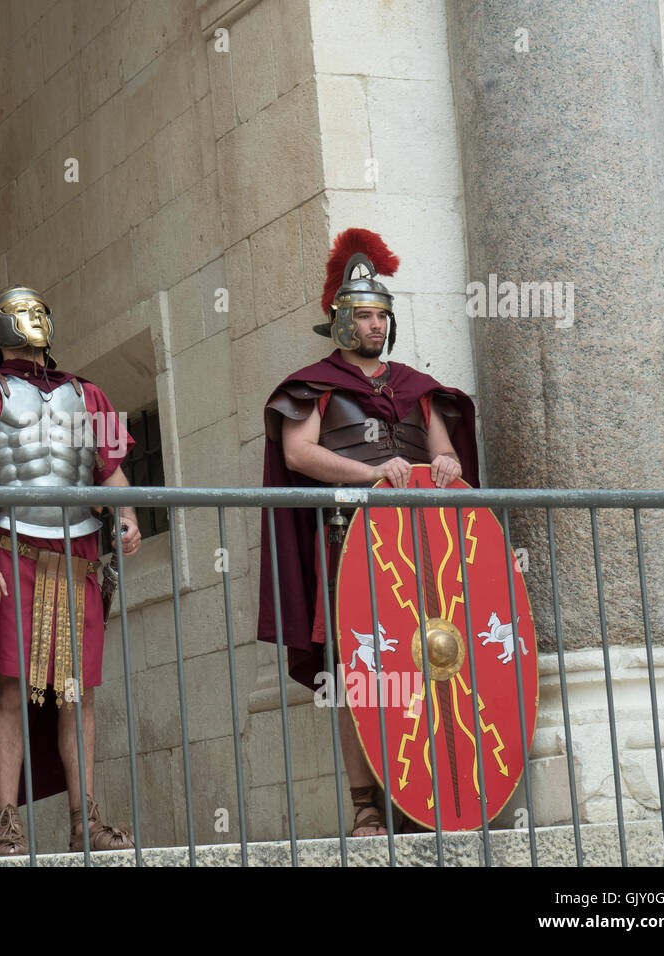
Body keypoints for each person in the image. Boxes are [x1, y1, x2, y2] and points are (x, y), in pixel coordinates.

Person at [257, 229, 479, 836]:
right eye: (364, 315)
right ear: (340, 321)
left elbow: (442, 453)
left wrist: (448, 464)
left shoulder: (416, 388)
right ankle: (366, 806)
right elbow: (299, 454)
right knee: (360, 670)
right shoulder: (313, 385)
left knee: (434, 658)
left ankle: (430, 792)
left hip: (420, 548)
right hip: (349, 539)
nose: (376, 326)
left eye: (383, 316)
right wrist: (373, 475)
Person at [0, 285, 139, 856]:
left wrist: (130, 516)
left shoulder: (89, 394)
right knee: (11, 692)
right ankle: (9, 826)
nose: (32, 320)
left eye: (39, 309)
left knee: (77, 693)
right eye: (21, 312)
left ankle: (84, 821)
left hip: (79, 557)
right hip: (8, 549)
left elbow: (110, 473)